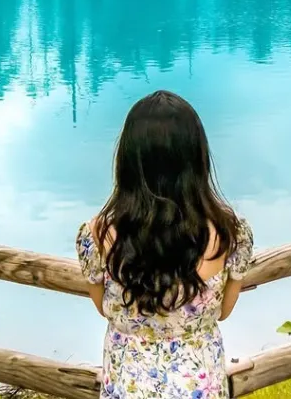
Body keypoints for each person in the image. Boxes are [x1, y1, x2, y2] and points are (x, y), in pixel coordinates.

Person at [76, 90, 254, 399]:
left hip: (127, 386)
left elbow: (104, 309)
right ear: (197, 155)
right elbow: (224, 310)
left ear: (129, 160)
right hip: (200, 387)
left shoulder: (95, 234)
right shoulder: (232, 233)